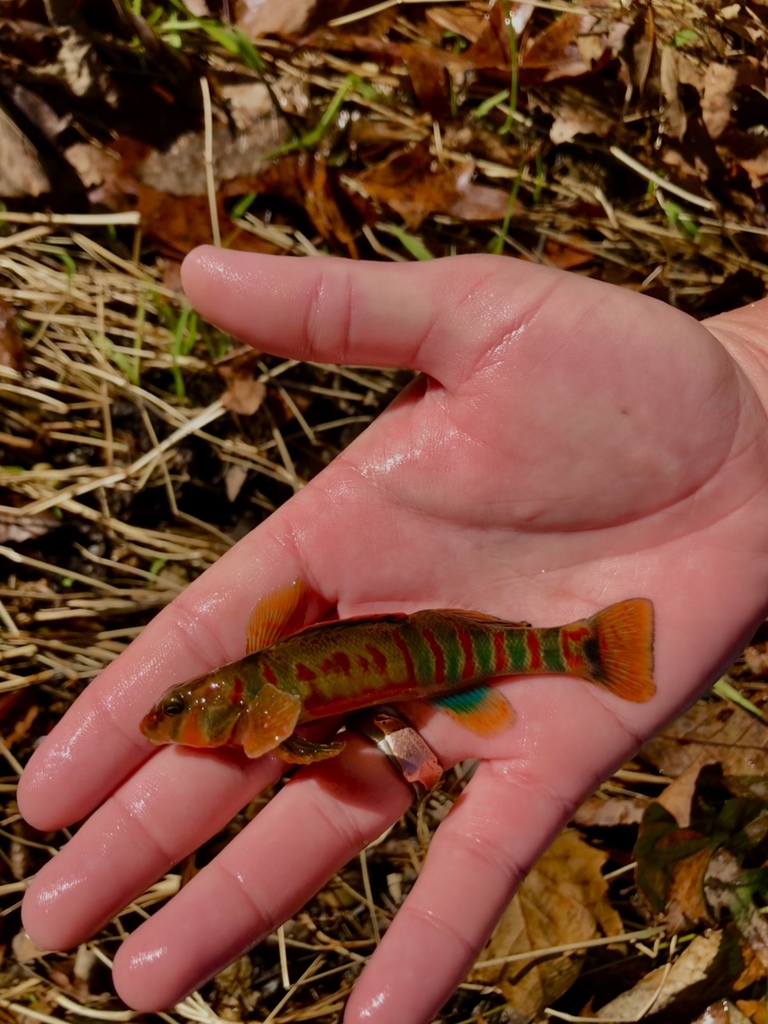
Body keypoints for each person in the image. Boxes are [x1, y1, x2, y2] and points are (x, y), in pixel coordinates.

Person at [17, 249, 768, 1022]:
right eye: (175, 712)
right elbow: (299, 739)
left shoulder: (258, 699)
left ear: (225, 700)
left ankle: (581, 649)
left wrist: (751, 382)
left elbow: (295, 737)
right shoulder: (257, 697)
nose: (170, 723)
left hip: (438, 660)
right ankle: (576, 650)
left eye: (179, 711)